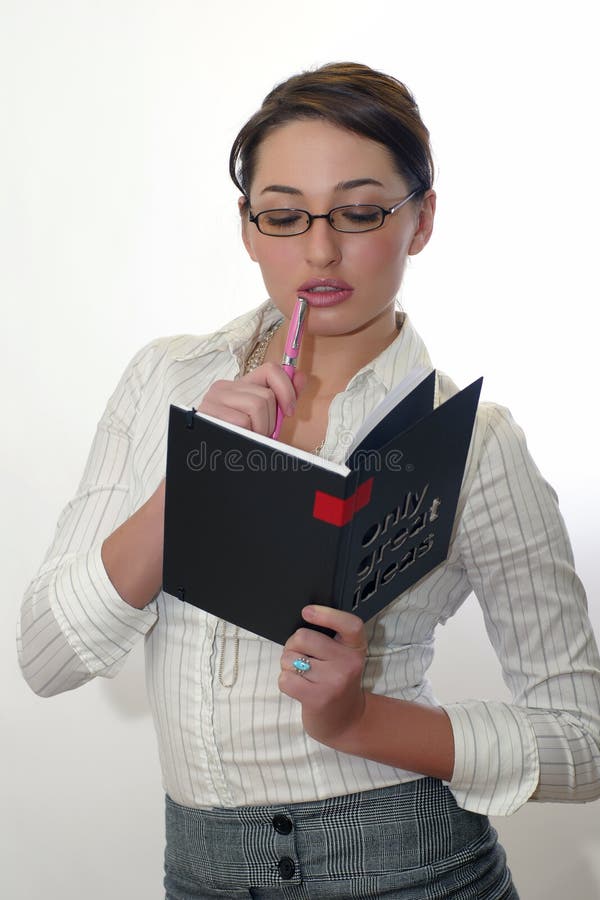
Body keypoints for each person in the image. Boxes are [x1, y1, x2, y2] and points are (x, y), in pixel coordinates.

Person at [18, 62, 600, 899]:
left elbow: (581, 741)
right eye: (285, 217)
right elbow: (47, 659)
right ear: (248, 228)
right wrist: (193, 478)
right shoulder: (165, 382)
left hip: (414, 873)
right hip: (200, 875)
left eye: (360, 213)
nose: (319, 251)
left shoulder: (472, 443)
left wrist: (362, 720)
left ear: (423, 219)